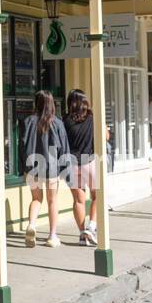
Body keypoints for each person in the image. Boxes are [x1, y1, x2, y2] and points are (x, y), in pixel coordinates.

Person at [23, 90, 69, 249]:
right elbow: (63, 147)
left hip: (32, 165)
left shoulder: (28, 121)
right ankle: (52, 236)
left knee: (36, 199)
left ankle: (31, 225)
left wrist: (24, 166)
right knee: (52, 201)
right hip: (52, 167)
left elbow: (21, 145)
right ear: (51, 104)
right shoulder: (57, 123)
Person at [63, 89, 98, 246]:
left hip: (71, 164)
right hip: (89, 161)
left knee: (78, 200)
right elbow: (105, 136)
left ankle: (82, 234)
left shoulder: (65, 120)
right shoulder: (91, 118)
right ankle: (91, 227)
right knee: (97, 196)